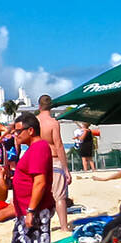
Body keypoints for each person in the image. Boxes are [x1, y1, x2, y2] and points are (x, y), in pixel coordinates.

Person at [11, 113, 56, 243]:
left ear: (30, 130)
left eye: (18, 131)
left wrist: (31, 210)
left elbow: (40, 182)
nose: (16, 134)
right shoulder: (31, 149)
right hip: (25, 209)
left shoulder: (39, 147)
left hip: (35, 209)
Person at [36, 94, 72, 232]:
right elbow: (59, 145)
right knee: (59, 196)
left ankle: (41, 226)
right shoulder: (53, 123)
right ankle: (64, 227)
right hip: (54, 160)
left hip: (39, 161)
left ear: (39, 106)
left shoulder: (34, 122)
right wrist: (66, 168)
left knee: (41, 195)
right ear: (51, 107)